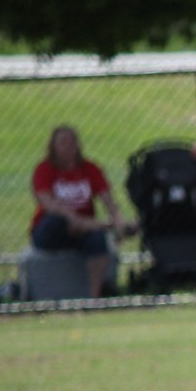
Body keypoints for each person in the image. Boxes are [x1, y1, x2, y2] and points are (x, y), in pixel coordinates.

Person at [29, 125, 135, 297]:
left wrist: (118, 220)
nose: (69, 146)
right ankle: (101, 226)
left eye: (73, 142)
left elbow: (108, 200)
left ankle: (94, 298)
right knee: (59, 219)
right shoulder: (44, 169)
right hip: (51, 232)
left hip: (83, 231)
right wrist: (76, 219)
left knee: (98, 242)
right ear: (53, 146)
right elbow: (48, 203)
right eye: (63, 142)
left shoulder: (90, 168)